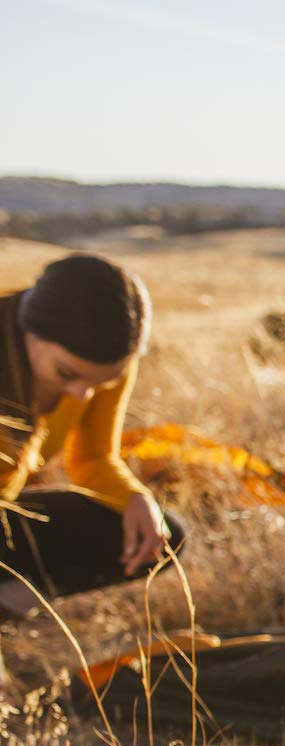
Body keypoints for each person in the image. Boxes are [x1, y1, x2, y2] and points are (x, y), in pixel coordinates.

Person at [0, 253, 185, 623]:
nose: (82, 395)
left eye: (101, 383)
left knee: (161, 537)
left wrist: (135, 497)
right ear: (28, 331)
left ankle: (7, 608)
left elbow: (93, 458)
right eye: (66, 373)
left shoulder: (102, 363)